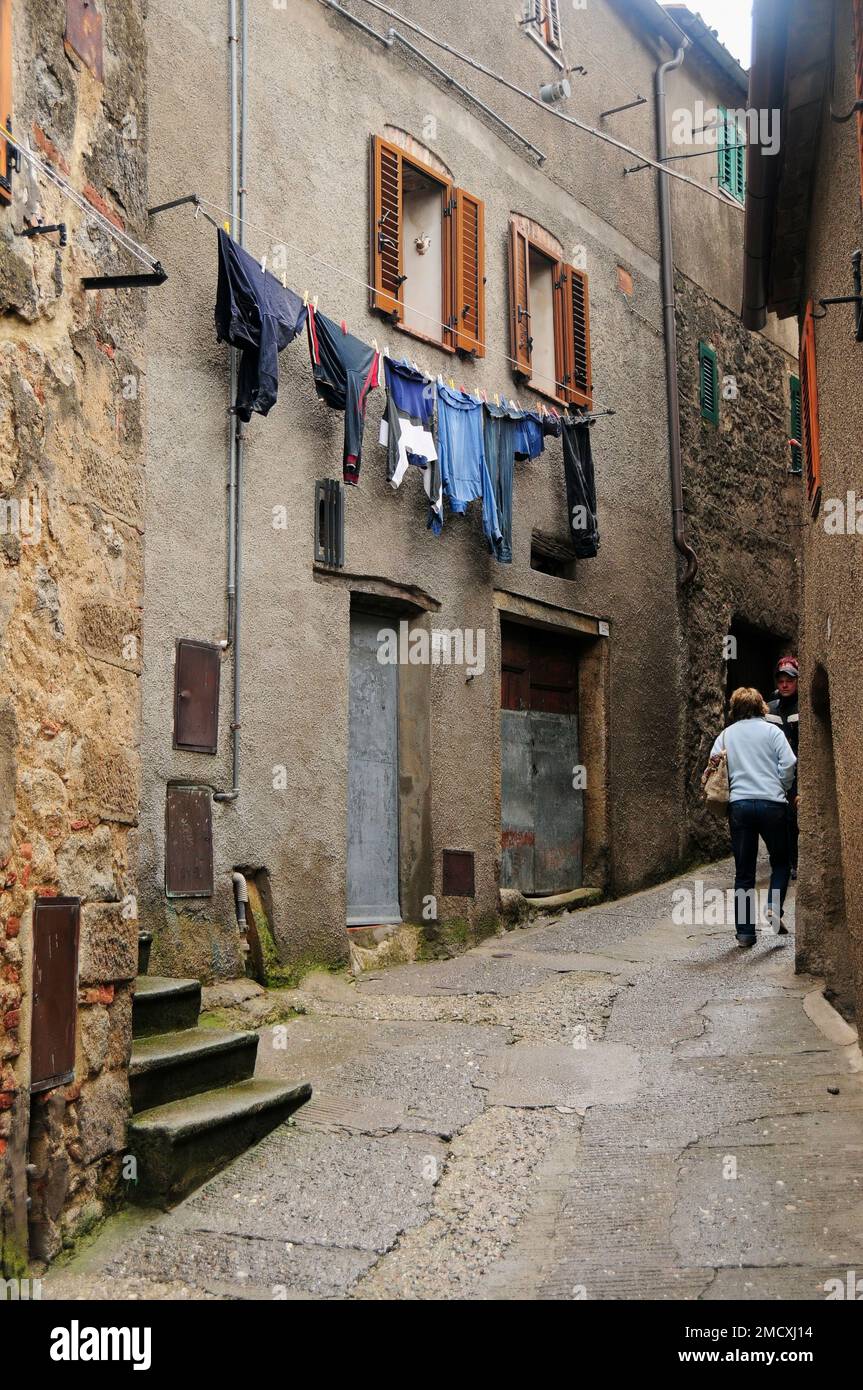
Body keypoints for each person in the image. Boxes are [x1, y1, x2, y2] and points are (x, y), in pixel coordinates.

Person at [710, 687, 797, 947]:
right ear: (762, 707)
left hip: (740, 806)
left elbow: (714, 764)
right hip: (773, 804)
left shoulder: (725, 735)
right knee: (781, 862)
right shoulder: (773, 732)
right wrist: (782, 785)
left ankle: (746, 933)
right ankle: (772, 907)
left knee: (744, 872)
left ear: (734, 709)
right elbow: (790, 762)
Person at [766, 655, 799, 879]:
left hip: (797, 773)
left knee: (794, 819)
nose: (785, 684)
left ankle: (795, 862)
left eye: (790, 680)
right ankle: (782, 862)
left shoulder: (803, 706)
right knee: (776, 820)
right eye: (781, 680)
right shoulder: (770, 709)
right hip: (774, 774)